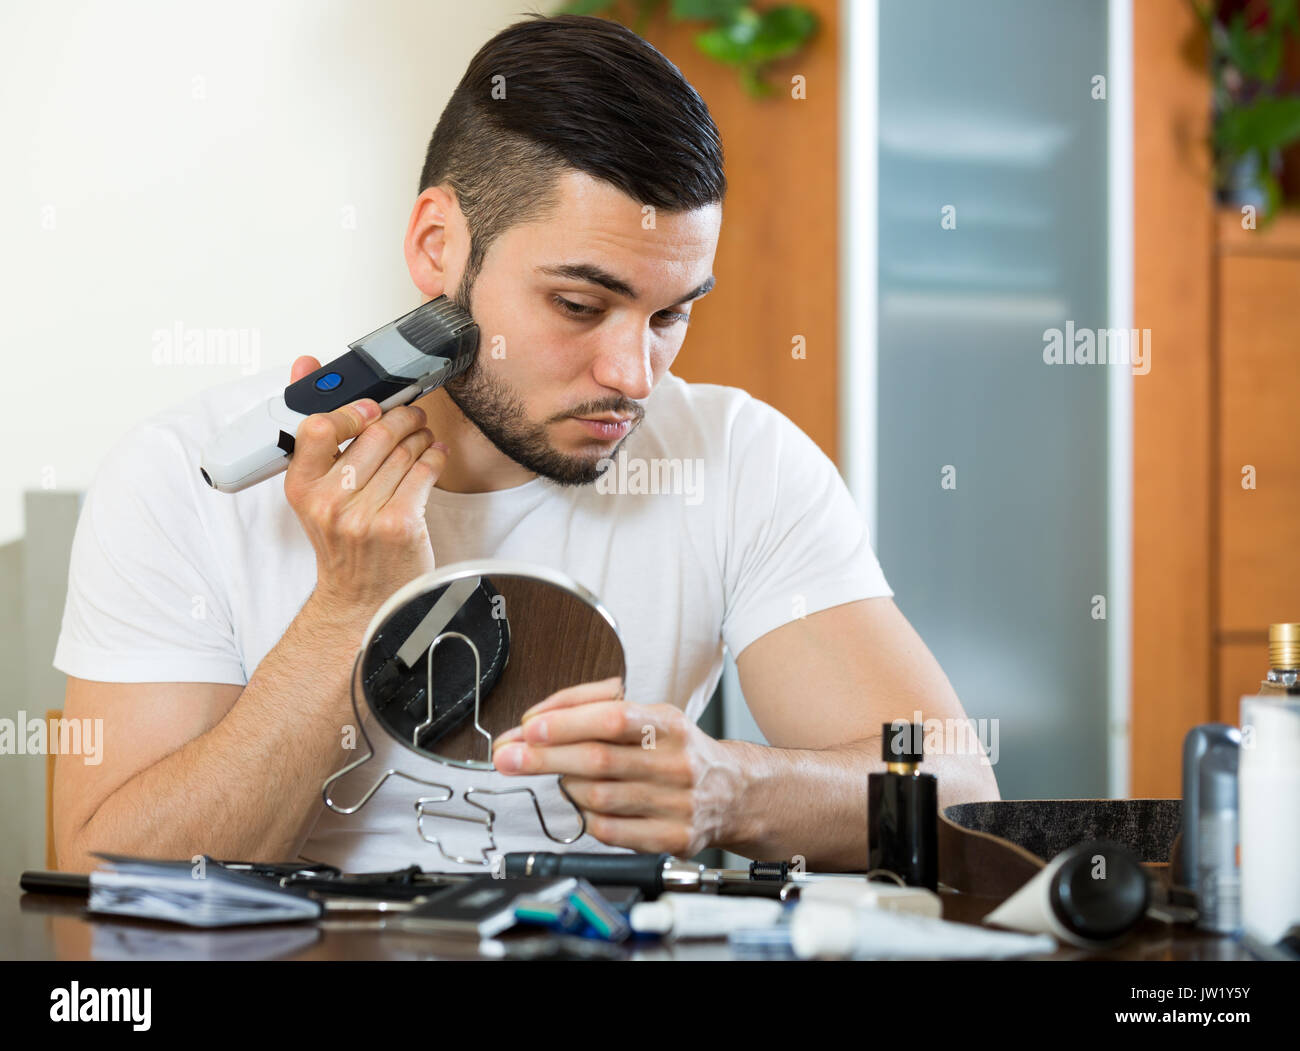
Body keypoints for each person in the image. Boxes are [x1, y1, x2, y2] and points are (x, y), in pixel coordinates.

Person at [52, 12, 999, 875]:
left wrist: (731, 788)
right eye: (579, 305)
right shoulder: (177, 479)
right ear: (437, 246)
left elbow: (958, 794)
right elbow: (106, 879)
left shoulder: (738, 458)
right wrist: (345, 613)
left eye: (671, 314)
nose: (636, 372)